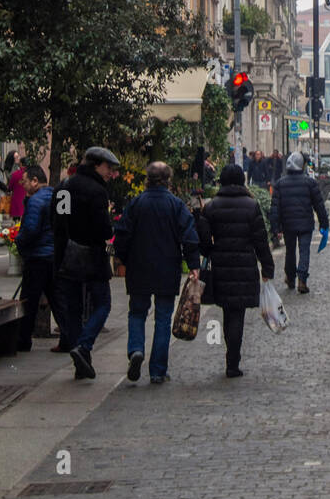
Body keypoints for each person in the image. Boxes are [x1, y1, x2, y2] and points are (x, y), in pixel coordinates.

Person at [113, 161, 200, 385]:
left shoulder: (136, 203)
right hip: (166, 267)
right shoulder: (175, 205)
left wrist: (122, 257)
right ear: (168, 180)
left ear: (147, 179)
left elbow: (122, 233)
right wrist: (193, 265)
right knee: (162, 318)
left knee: (137, 313)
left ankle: (135, 350)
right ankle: (158, 370)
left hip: (139, 267)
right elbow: (189, 236)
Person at [196, 163, 274, 378]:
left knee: (227, 311)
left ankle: (230, 358)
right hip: (244, 265)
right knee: (237, 315)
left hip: (220, 265)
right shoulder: (251, 206)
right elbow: (260, 239)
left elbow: (202, 237)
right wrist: (267, 267)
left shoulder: (211, 207)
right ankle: (233, 362)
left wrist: (209, 251)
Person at [52, 146, 120, 379]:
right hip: (92, 255)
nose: (110, 173)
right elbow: (103, 229)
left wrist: (61, 252)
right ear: (95, 165)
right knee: (103, 304)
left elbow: (58, 223)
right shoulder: (98, 191)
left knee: (72, 309)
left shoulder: (65, 187)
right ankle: (84, 345)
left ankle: (81, 363)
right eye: (108, 168)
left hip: (68, 255)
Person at [269, 151, 328, 294]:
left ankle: (290, 277)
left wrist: (275, 227)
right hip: (305, 223)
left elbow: (275, 208)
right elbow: (319, 205)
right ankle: (302, 279)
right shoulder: (310, 183)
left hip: (288, 224)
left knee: (290, 252)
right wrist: (324, 223)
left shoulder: (280, 183)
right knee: (304, 251)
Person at [16, 165, 60, 352]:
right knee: (57, 300)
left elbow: (30, 230)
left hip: (37, 257)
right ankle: (69, 336)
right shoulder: (57, 197)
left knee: (28, 300)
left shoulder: (35, 201)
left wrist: (19, 242)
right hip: (54, 256)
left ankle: (23, 340)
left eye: (24, 181)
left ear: (35, 181)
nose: (23, 185)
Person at [5, 150, 26, 228]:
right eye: (16, 157)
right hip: (14, 191)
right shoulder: (10, 169)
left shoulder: (20, 168)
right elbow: (10, 178)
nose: (18, 158)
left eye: (18, 156)